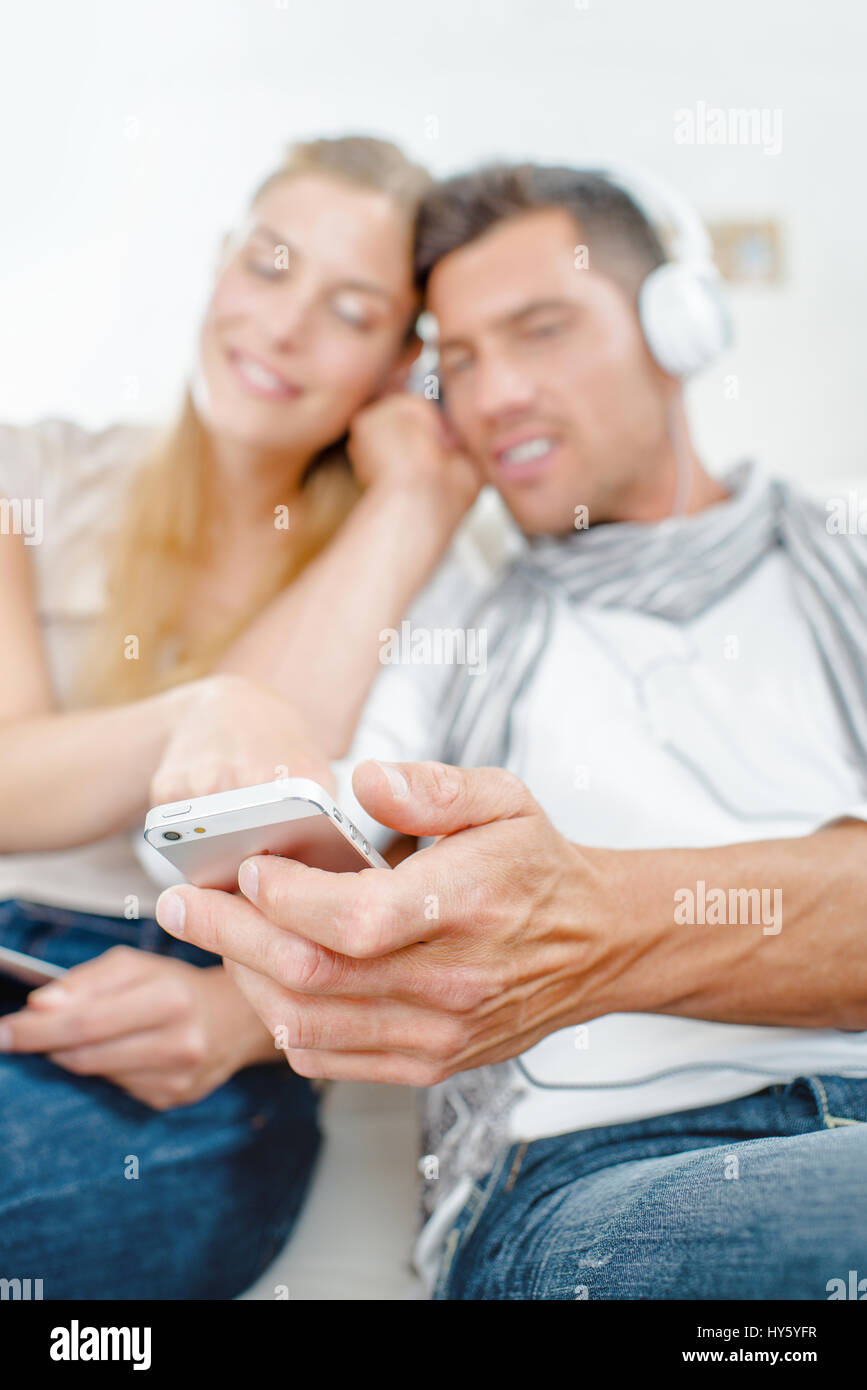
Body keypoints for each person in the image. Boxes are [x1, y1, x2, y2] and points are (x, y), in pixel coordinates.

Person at [156, 164, 867, 1300]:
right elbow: (246, 782)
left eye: (541, 330)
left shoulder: (848, 541)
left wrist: (606, 924)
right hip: (604, 1170)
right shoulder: (456, 616)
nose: (494, 398)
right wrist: (413, 496)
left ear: (676, 327)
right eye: (461, 362)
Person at [0, 136, 480, 1299]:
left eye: (350, 311)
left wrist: (414, 500)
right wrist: (205, 707)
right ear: (221, 262)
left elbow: (433, 901)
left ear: (401, 364)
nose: (284, 326)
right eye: (268, 264)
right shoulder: (31, 472)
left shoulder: (447, 572)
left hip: (208, 1011)